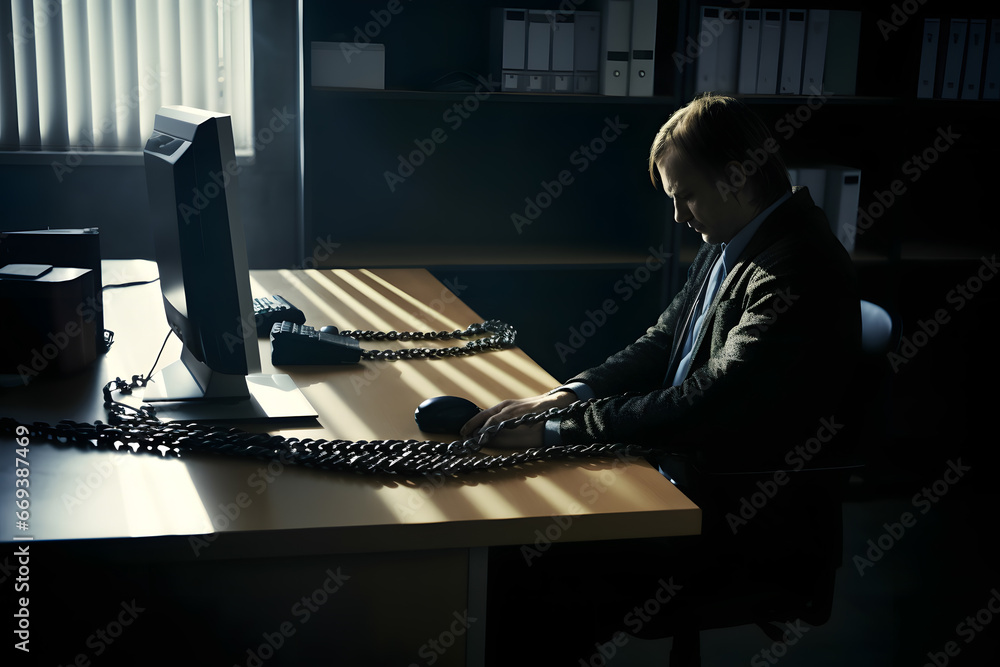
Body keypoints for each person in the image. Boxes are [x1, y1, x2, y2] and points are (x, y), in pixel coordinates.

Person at [475, 94, 862, 664]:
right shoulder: (736, 236)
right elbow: (662, 343)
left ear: (734, 176)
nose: (679, 216)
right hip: (679, 473)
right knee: (515, 531)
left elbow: (707, 400)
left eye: (685, 196)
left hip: (741, 521)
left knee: (529, 559)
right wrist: (562, 396)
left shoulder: (796, 266)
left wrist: (558, 432)